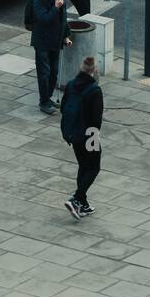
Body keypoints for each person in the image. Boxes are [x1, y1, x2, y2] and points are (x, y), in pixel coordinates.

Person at [60, 56, 104, 220]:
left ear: (81, 68)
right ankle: (77, 198)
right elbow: (96, 119)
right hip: (89, 134)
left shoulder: (71, 84)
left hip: (73, 133)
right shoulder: (94, 90)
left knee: (83, 165)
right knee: (93, 167)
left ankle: (83, 204)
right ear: (94, 70)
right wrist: (94, 137)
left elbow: (64, 107)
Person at [30, 0, 73, 115]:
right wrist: (55, 8)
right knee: (44, 73)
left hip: (56, 41)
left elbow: (63, 18)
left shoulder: (60, 0)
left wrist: (66, 36)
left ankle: (47, 98)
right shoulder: (40, 0)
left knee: (54, 71)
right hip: (42, 42)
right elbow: (44, 20)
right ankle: (43, 102)